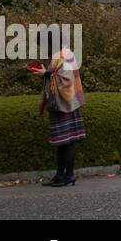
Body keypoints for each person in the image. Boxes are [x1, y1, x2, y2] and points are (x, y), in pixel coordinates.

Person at [35, 45, 86, 187]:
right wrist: (45, 73)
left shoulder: (66, 56)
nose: (42, 48)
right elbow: (54, 78)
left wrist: (45, 73)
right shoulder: (57, 56)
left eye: (42, 43)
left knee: (68, 141)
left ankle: (69, 175)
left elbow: (66, 80)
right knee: (60, 143)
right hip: (58, 104)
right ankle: (59, 175)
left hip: (66, 105)